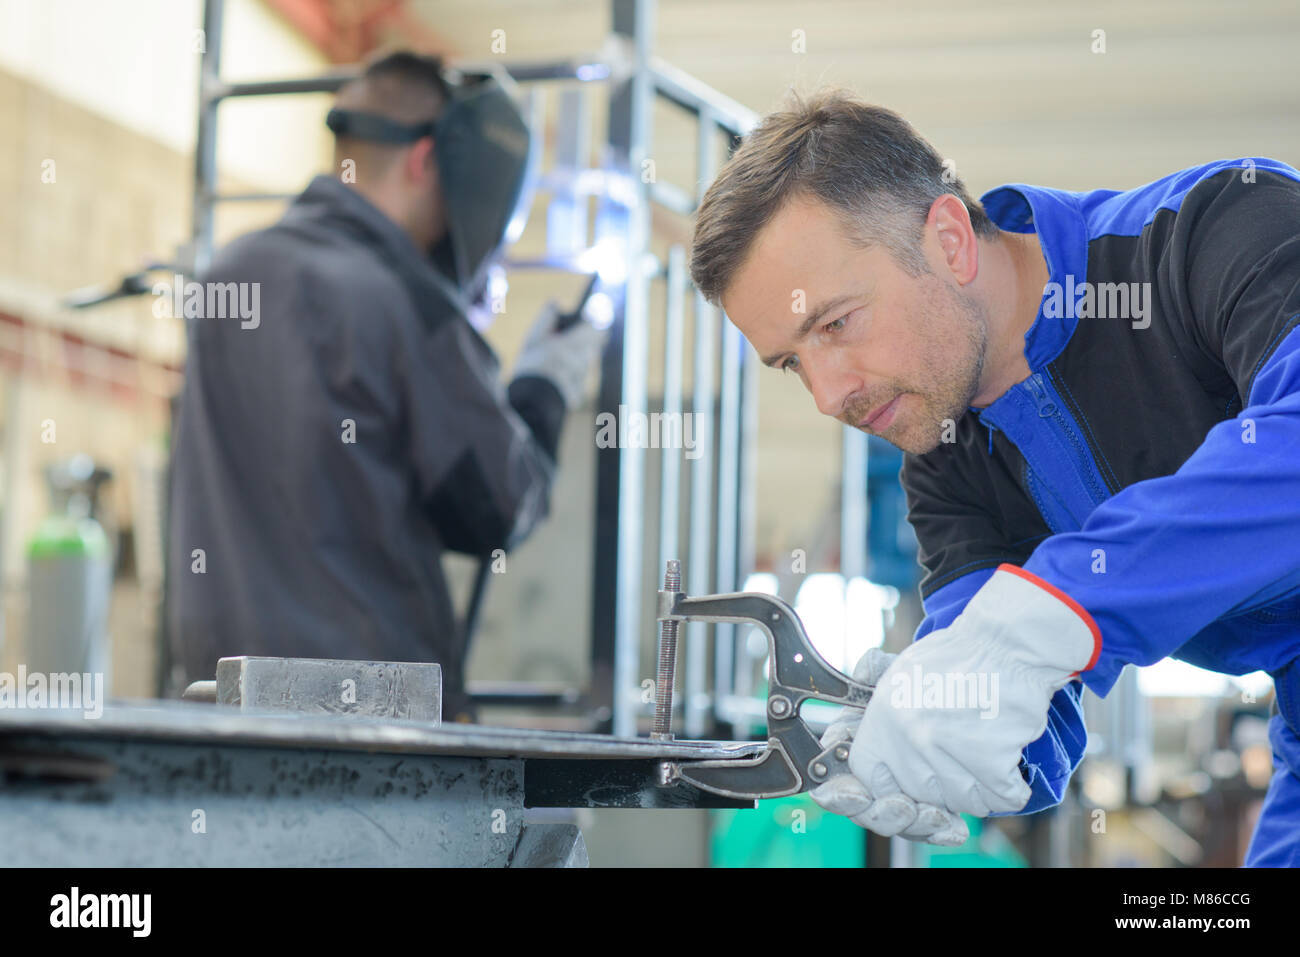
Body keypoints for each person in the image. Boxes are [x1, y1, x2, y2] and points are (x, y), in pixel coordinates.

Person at [689, 89, 1300, 866]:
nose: (828, 394)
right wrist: (929, 735)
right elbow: (1028, 738)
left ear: (948, 239)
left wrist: (1056, 609)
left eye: (836, 323)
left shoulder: (1216, 230)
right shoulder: (943, 457)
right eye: (790, 362)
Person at [167, 51, 603, 720]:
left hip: (219, 707)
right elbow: (498, 507)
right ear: (426, 161)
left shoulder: (230, 270)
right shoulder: (403, 300)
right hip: (371, 728)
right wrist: (544, 383)